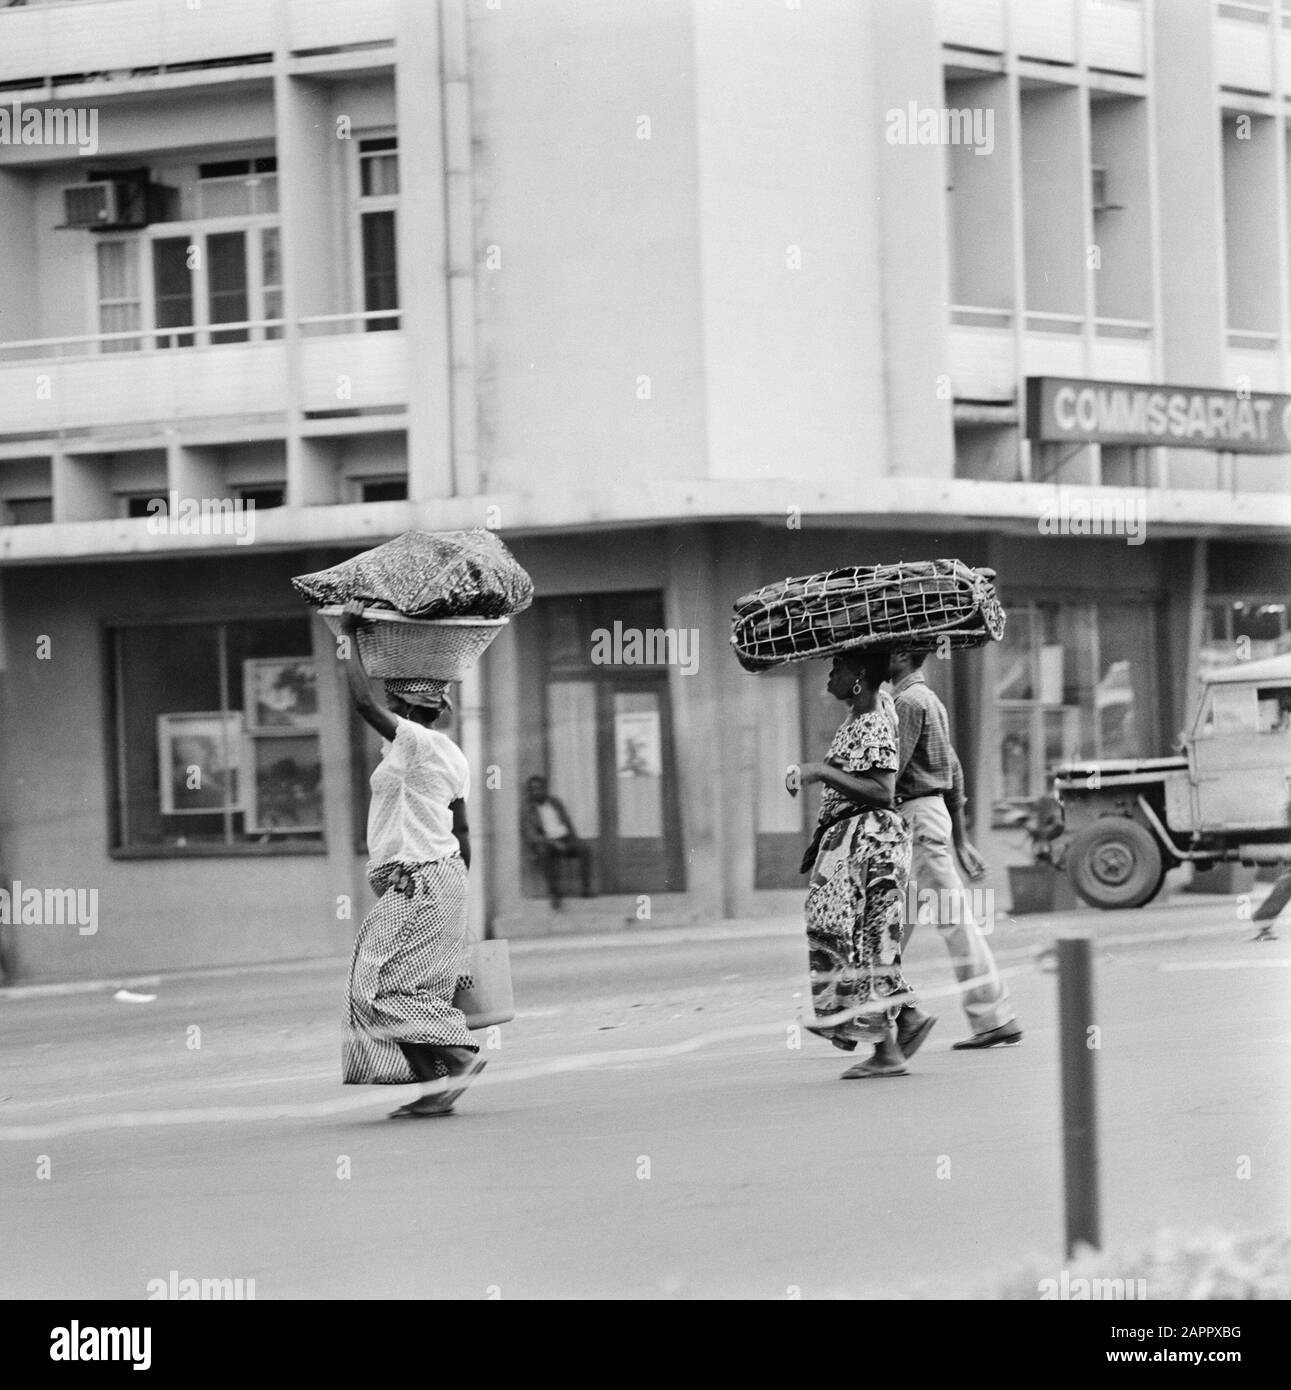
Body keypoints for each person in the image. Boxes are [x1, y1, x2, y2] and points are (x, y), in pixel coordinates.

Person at [336, 602, 485, 1118]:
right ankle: (432, 1088)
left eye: (393, 701)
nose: (386, 706)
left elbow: (359, 703)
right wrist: (454, 898)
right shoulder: (450, 753)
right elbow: (462, 833)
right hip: (436, 877)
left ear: (406, 707)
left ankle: (457, 1056)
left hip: (422, 878)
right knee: (409, 986)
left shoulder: (417, 743)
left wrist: (347, 638)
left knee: (376, 987)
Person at [788, 650, 928, 1078]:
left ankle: (886, 1049)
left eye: (838, 667)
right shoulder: (864, 714)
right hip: (855, 845)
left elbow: (883, 789)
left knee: (858, 941)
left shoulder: (873, 718)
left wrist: (819, 772)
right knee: (860, 939)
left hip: (868, 844)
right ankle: (904, 1018)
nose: (830, 674)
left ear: (859, 678)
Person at [888, 648, 1022, 1049]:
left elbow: (889, 774)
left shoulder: (908, 702)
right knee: (891, 928)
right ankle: (873, 1019)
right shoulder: (927, 700)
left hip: (915, 821)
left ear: (902, 656)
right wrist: (960, 839)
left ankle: (993, 1017)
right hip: (923, 821)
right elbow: (954, 770)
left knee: (954, 922)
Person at [524, 775, 594, 906]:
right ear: (530, 792)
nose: (537, 791)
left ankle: (586, 889)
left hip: (565, 838)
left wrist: (573, 838)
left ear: (545, 789)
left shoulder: (556, 803)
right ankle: (555, 893)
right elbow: (532, 836)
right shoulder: (529, 810)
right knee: (543, 852)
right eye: (533, 789)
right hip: (547, 843)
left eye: (540, 788)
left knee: (584, 849)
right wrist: (553, 842)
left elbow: (567, 821)